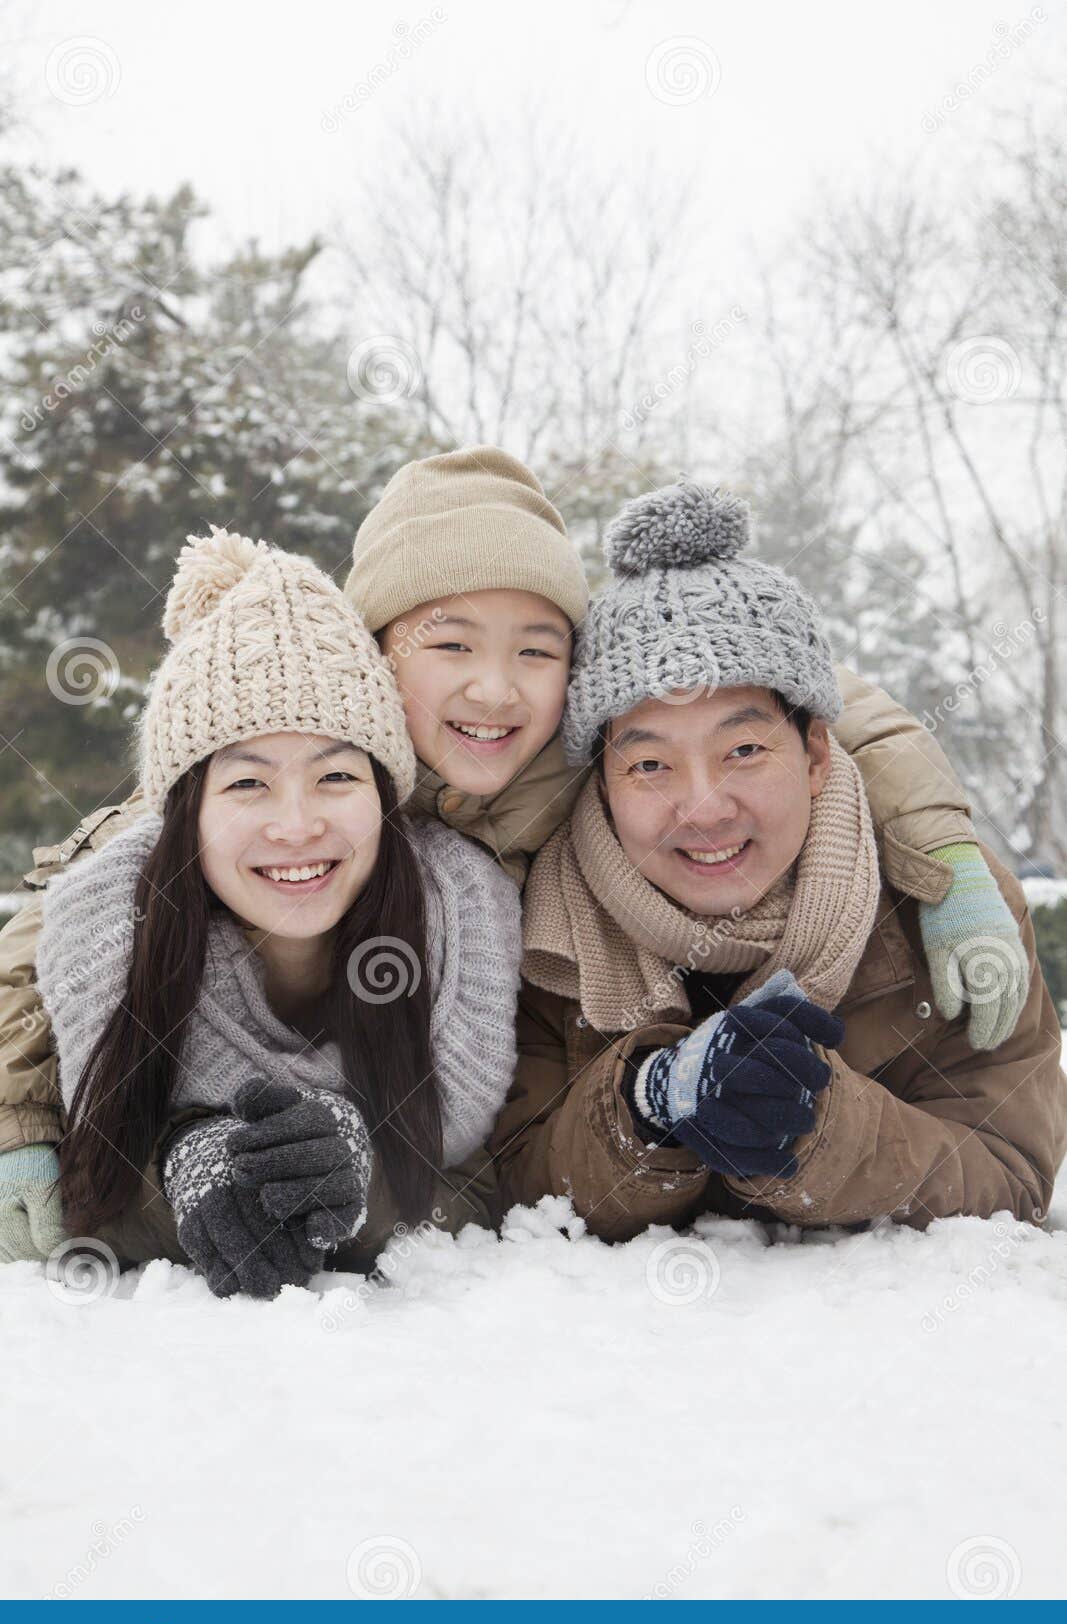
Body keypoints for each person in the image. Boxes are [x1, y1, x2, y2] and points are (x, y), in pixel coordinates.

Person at [0, 451, 1029, 1257]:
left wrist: (940, 853)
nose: (494, 691)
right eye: (449, 644)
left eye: (535, 650)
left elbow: (833, 711)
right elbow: (75, 901)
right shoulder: (290, 747)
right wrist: (21, 1121)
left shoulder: (568, 774)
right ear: (369, 651)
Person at [491, 480, 1066, 1240]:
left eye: (743, 750)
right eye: (650, 766)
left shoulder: (943, 903)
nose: (702, 809)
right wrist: (647, 1104)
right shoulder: (541, 923)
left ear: (816, 754)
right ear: (601, 781)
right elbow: (509, 1176)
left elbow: (1010, 1169)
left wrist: (817, 1128)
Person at [2, 529, 521, 1294]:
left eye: (336, 776)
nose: (296, 825)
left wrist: (352, 1170)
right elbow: (85, 1181)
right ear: (186, 813)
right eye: (247, 784)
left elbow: (482, 1181)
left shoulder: (462, 919)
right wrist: (186, 1161)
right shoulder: (106, 932)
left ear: (385, 796)